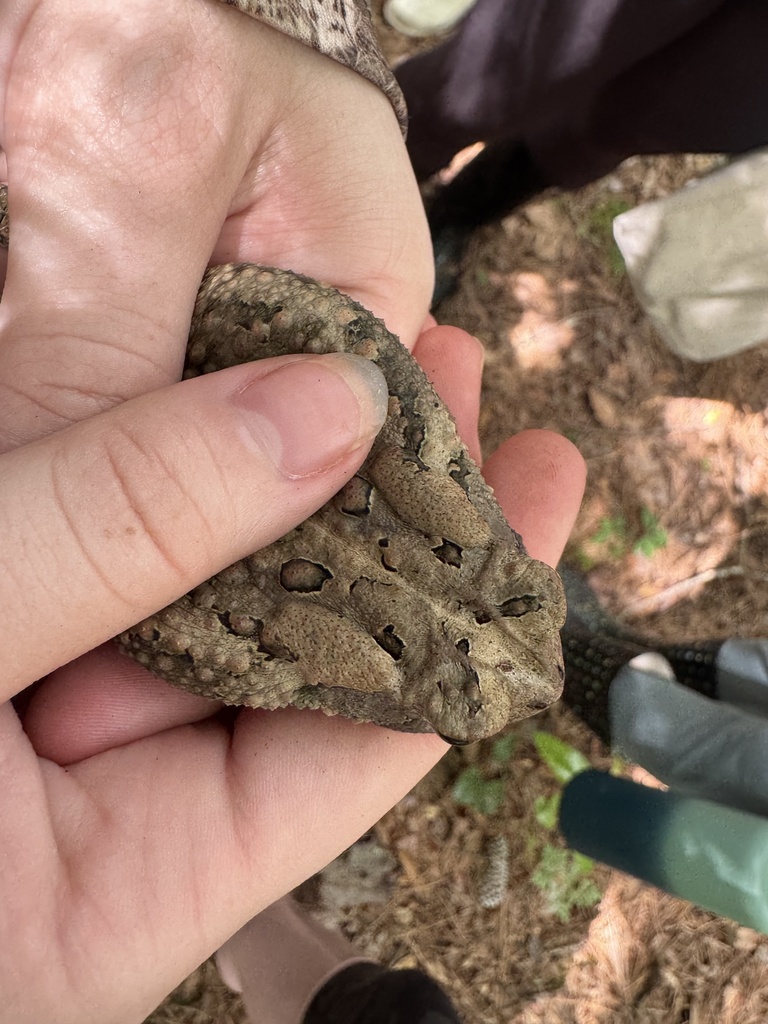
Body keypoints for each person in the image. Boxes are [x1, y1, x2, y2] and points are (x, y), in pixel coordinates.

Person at [0, 2, 585, 1022]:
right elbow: (180, 637)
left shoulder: (399, 508)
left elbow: (351, 347)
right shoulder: (313, 644)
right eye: (521, 595)